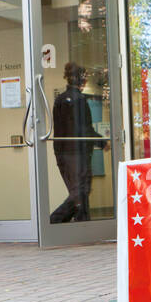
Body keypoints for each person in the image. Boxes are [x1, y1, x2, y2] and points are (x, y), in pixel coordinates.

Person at [49, 63, 104, 223]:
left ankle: (83, 225)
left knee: (79, 192)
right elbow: (83, 128)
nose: (86, 79)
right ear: (81, 79)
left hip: (62, 153)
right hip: (77, 153)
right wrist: (102, 142)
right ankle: (53, 222)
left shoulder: (60, 99)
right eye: (85, 76)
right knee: (80, 192)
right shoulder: (79, 100)